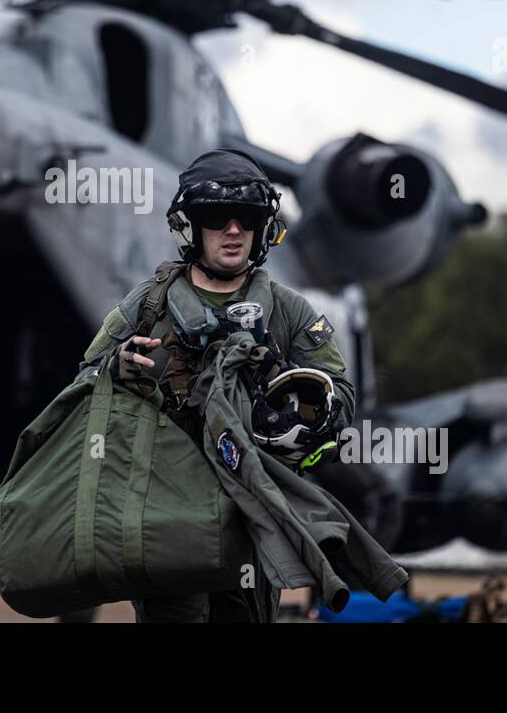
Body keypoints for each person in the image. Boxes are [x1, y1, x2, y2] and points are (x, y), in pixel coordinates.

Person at [76, 148, 356, 623]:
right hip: (164, 517)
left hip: (250, 519)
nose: (232, 230)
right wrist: (115, 370)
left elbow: (341, 398)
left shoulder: (289, 312)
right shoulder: (147, 305)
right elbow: (83, 383)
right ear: (190, 227)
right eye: (215, 217)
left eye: (245, 218)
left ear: (262, 228)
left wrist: (300, 409)